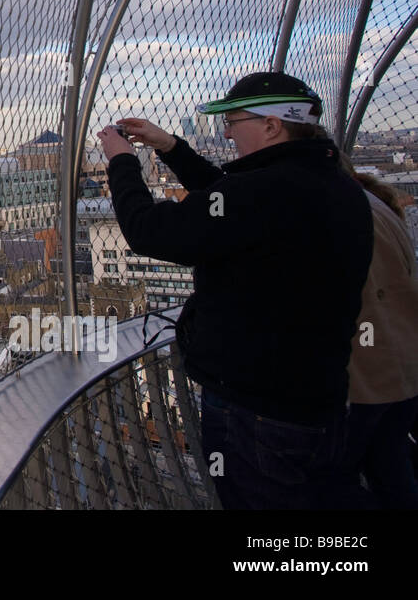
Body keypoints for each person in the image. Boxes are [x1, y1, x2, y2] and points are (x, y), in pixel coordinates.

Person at [96, 71, 373, 509]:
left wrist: (122, 162)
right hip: (317, 401)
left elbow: (150, 231)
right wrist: (171, 147)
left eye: (234, 120)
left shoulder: (265, 192)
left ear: (271, 125)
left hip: (257, 414)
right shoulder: (336, 187)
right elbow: (229, 203)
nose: (225, 131)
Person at [335, 148, 418, 509]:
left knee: (331, 483)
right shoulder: (374, 204)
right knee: (391, 470)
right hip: (399, 374)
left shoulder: (340, 210)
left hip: (362, 382)